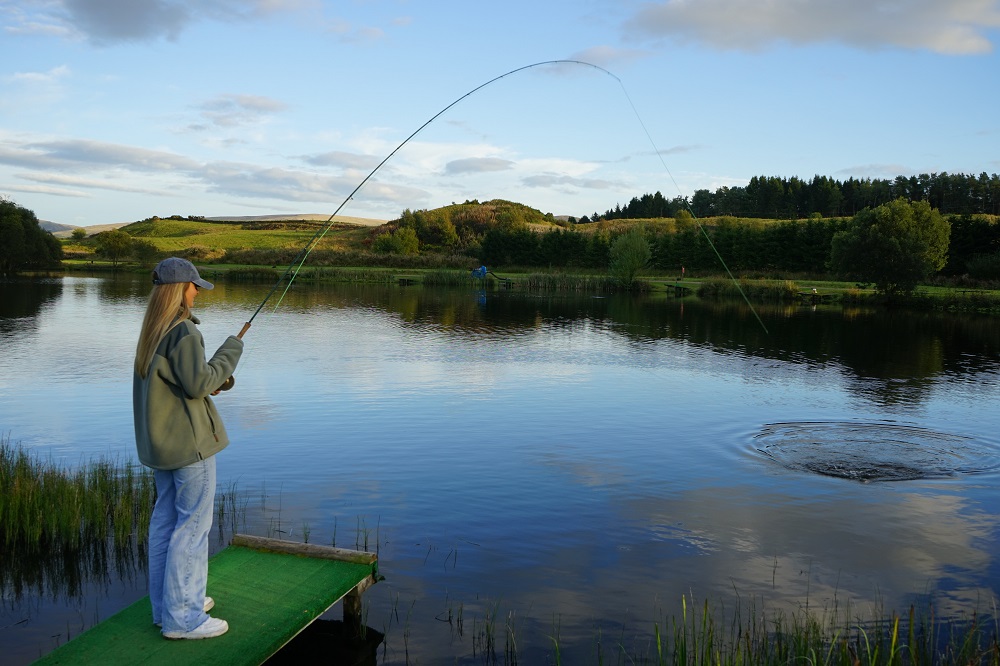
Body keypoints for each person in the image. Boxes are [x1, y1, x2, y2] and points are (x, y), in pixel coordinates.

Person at [133, 257, 244, 640]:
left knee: (166, 524)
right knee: (193, 529)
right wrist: (232, 350)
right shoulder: (183, 331)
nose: (198, 291)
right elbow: (198, 384)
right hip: (189, 446)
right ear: (179, 290)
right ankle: (184, 619)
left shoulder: (153, 330)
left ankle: (168, 607)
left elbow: (188, 382)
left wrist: (216, 380)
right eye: (194, 285)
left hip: (162, 446)